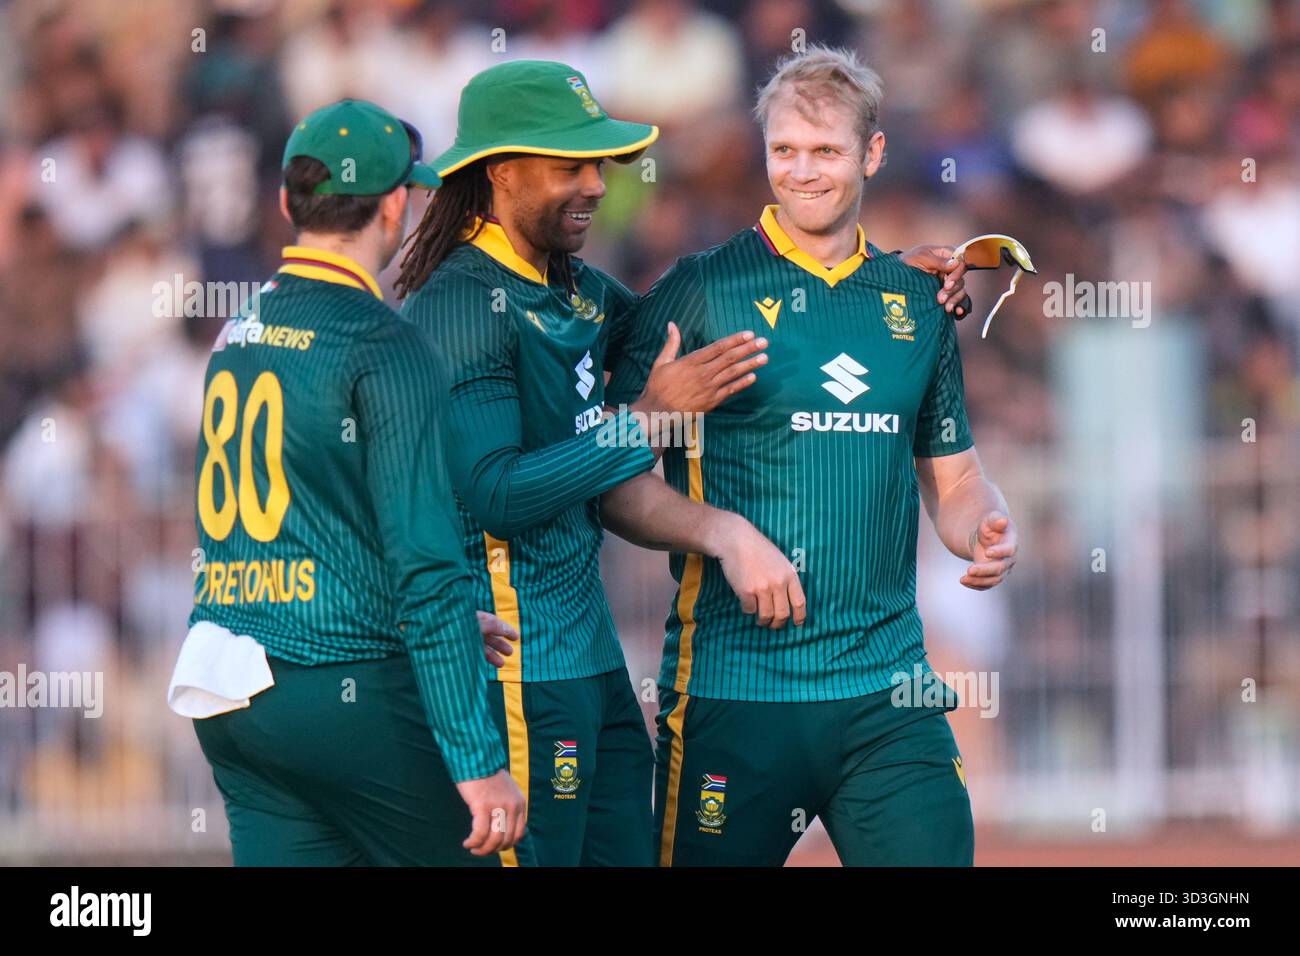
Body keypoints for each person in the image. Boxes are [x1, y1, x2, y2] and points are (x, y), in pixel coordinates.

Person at [602, 46, 1018, 866]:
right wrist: (723, 532)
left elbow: (956, 476)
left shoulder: (916, 302)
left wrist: (985, 526)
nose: (801, 171)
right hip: (733, 694)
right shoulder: (701, 289)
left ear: (871, 154)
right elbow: (611, 473)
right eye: (784, 150)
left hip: (889, 695)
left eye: (825, 151)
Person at [168, 99, 526, 866]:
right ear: (396, 203)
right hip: (343, 688)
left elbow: (302, 515)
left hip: (233, 692)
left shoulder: (238, 329)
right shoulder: (384, 342)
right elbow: (425, 565)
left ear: (285, 203)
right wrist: (478, 761)